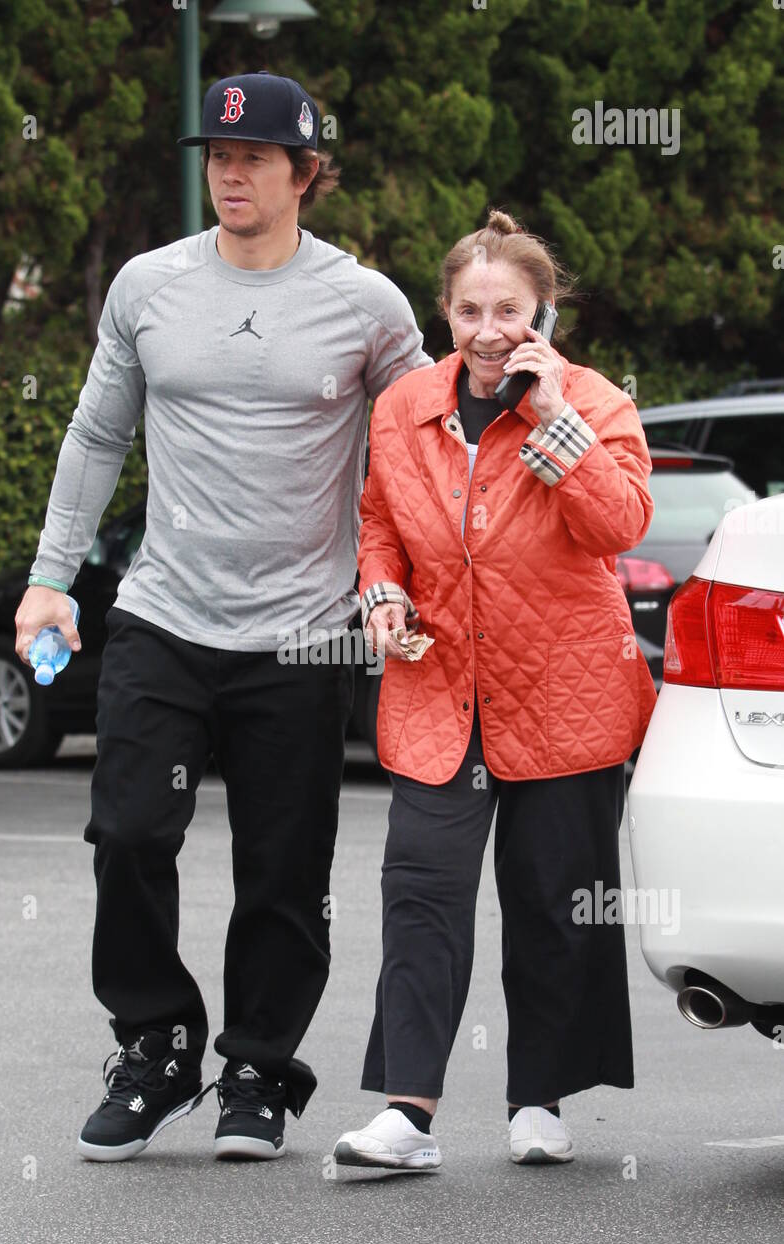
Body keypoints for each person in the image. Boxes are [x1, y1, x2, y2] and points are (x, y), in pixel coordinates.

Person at [13, 72, 431, 1163]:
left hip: (303, 628)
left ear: (304, 172)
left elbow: (423, 438)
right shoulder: (148, 285)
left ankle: (257, 1065)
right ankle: (155, 1044)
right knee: (130, 834)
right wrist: (52, 575)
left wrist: (410, 580)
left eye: (253, 156)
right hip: (164, 615)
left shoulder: (366, 304)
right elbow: (97, 434)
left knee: (284, 865)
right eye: (216, 154)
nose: (230, 172)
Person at [332, 208, 657, 1171]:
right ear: (443, 311)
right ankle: (406, 1113)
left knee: (555, 900)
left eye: (507, 310)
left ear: (542, 315)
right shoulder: (403, 407)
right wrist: (381, 595)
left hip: (565, 688)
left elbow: (619, 525)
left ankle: (539, 1101)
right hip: (441, 688)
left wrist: (552, 419)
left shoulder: (592, 402)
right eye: (468, 309)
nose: (486, 330)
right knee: (420, 894)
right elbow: (380, 522)